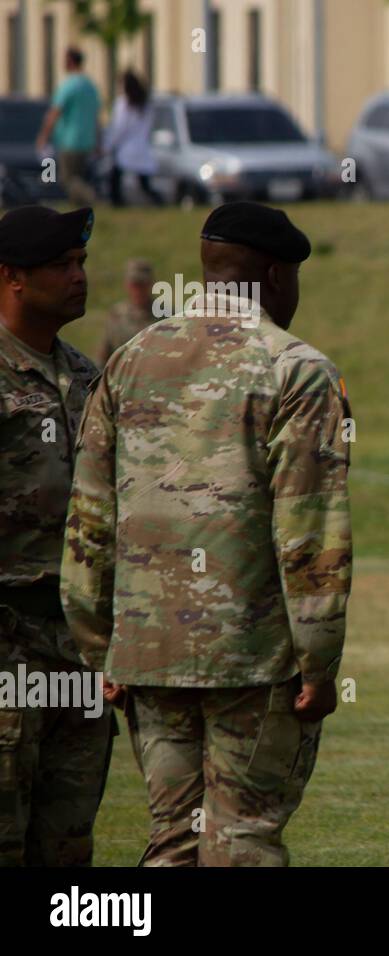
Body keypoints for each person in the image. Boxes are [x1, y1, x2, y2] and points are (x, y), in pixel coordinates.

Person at [61, 201, 352, 866]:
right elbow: (310, 533)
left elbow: (89, 517)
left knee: (173, 838)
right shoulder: (297, 371)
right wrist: (320, 660)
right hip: (254, 655)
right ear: (276, 276)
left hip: (147, 649)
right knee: (243, 836)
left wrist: (98, 644)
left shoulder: (131, 360)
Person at [0, 205, 114, 865]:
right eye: (61, 266)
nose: (79, 277)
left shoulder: (90, 378)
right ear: (12, 278)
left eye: (82, 264)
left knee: (68, 846)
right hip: (8, 643)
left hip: (77, 651)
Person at [36, 48, 100, 207]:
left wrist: (43, 136)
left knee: (68, 179)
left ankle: (92, 198)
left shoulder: (69, 85)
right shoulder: (90, 86)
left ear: (70, 61)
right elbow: (95, 115)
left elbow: (54, 112)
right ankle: (80, 209)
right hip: (87, 140)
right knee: (78, 177)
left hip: (70, 140)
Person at [103, 70, 163, 208]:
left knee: (115, 179)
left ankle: (117, 204)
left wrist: (108, 146)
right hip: (142, 148)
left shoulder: (123, 104)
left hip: (127, 149)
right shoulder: (145, 104)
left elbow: (119, 128)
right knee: (144, 183)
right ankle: (158, 201)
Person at [97, 258, 159, 366]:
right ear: (126, 285)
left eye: (142, 284)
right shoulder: (116, 315)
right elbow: (104, 358)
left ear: (151, 284)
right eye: (135, 284)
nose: (138, 290)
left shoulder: (166, 315)